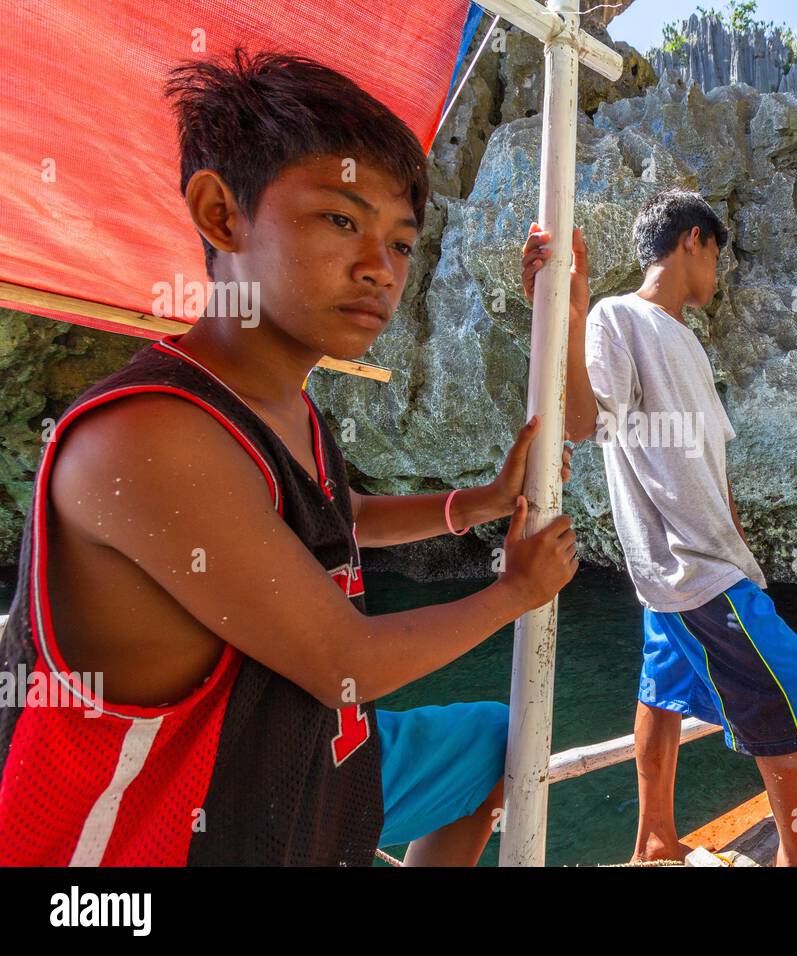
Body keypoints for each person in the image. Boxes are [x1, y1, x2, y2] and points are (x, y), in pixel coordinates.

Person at [0, 48, 579, 866]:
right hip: (159, 843)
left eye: (403, 243)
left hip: (303, 774)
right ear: (221, 214)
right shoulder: (150, 438)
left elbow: (333, 520)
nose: (381, 269)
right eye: (341, 220)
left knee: (499, 744)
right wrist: (516, 590)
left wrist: (477, 503)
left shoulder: (281, 404)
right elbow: (348, 666)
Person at [523, 190, 797, 867]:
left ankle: (654, 840)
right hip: (690, 566)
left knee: (659, 693)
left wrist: (742, 546)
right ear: (694, 240)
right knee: (789, 685)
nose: (716, 276)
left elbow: (714, 464)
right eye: (716, 256)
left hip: (702, 563)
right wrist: (571, 317)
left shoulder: (686, 340)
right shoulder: (617, 316)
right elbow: (583, 423)